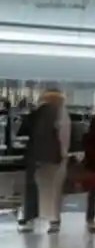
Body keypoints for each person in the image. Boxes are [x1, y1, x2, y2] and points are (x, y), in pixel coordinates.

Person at [17, 89, 70, 234]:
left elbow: (22, 135)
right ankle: (54, 221)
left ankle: (30, 218)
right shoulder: (61, 114)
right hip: (55, 158)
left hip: (35, 157)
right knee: (54, 191)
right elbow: (64, 138)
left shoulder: (36, 114)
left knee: (34, 188)